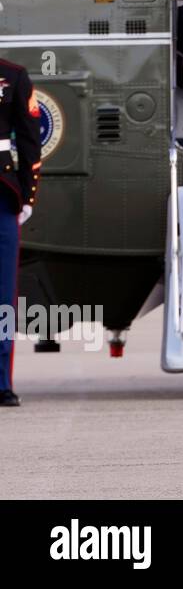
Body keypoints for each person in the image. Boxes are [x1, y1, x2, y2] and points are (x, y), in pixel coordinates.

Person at [0, 58, 42, 407]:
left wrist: (28, 194)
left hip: (1, 196)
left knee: (2, 294)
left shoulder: (12, 75)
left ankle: (0, 382)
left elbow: (29, 140)